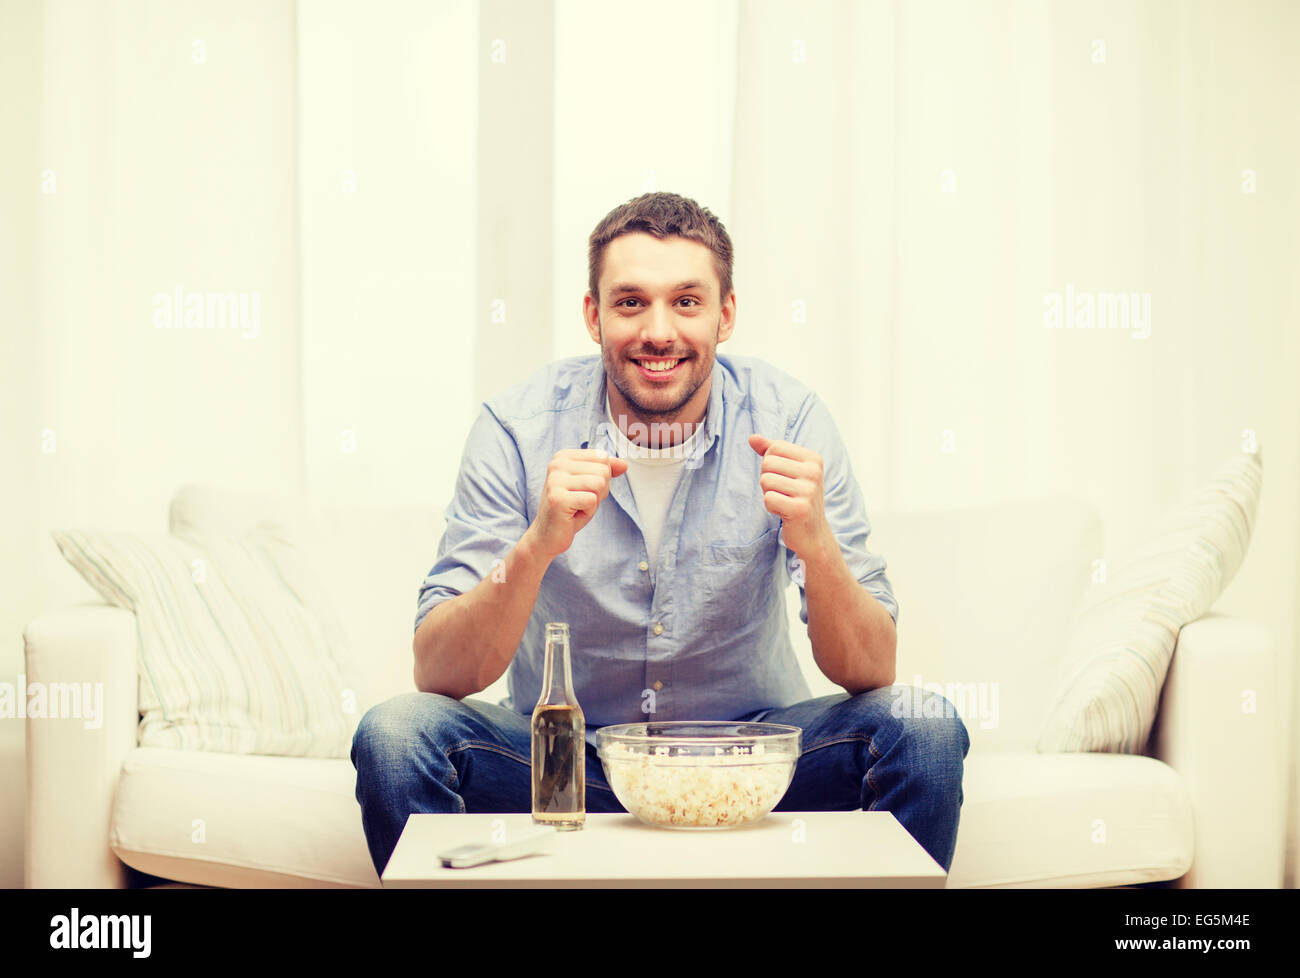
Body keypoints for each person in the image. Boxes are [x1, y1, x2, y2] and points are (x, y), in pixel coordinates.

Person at [352, 192, 969, 878]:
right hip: (563, 766)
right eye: (629, 302)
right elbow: (439, 673)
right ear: (593, 316)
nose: (658, 331)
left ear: (724, 314)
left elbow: (870, 670)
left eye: (685, 301)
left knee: (926, 726)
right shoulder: (514, 428)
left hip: (750, 761)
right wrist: (538, 544)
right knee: (396, 734)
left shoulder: (789, 419)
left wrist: (815, 542)